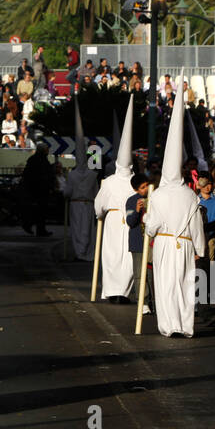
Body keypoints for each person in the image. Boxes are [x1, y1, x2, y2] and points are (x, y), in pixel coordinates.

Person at [144, 94, 207, 337]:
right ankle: (184, 324)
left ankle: (170, 325)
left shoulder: (158, 195)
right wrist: (199, 248)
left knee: (166, 284)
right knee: (185, 284)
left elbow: (153, 225)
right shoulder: (190, 195)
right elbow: (196, 225)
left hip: (164, 242)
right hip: (186, 244)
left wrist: (148, 225)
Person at [95, 96, 138, 303]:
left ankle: (114, 291)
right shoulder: (133, 181)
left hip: (115, 221)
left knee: (114, 256)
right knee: (122, 257)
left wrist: (99, 213)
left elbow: (99, 204)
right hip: (127, 221)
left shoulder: (110, 181)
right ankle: (120, 290)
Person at [59, 97, 99, 261]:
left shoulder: (73, 174)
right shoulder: (92, 173)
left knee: (77, 229)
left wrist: (64, 194)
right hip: (88, 204)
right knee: (87, 229)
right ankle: (86, 252)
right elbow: (96, 191)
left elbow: (67, 191)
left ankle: (80, 252)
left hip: (76, 204)